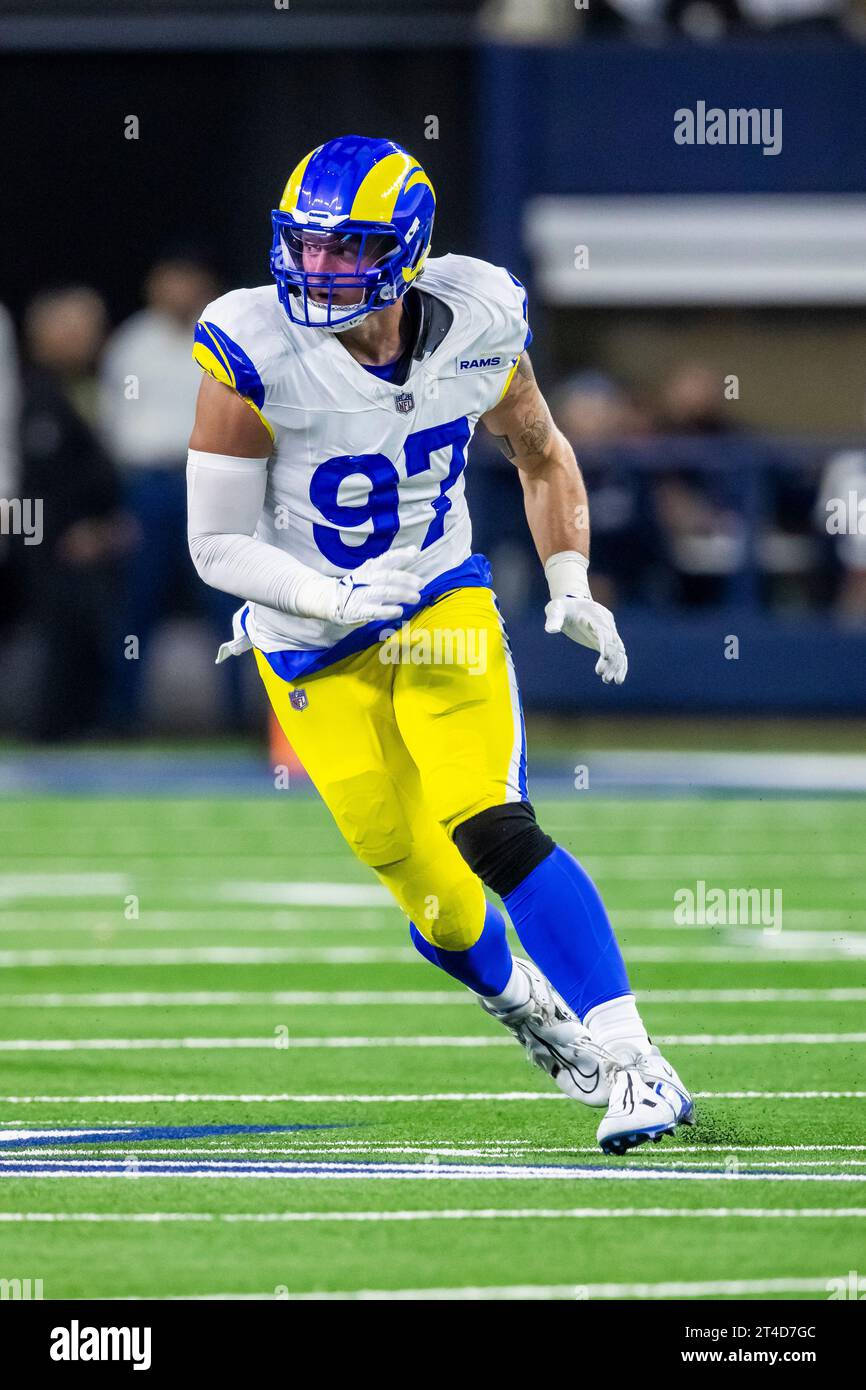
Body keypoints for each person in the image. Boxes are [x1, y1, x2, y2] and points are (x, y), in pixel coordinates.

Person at [186, 135, 693, 1155]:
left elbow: (539, 450)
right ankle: (522, 1007)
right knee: (431, 897)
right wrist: (325, 596)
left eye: (348, 251)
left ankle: (636, 1062)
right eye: (306, 248)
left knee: (490, 826)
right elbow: (213, 542)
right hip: (303, 641)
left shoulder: (476, 317)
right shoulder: (249, 345)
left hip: (432, 602)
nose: (318, 271)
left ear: (406, 250)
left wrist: (565, 579)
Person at [101, 254, 242, 729]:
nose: (180, 291)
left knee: (228, 599)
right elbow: (114, 423)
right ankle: (122, 717)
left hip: (208, 482)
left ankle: (239, 716)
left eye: (188, 281)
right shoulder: (133, 344)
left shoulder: (225, 334)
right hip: (151, 485)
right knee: (138, 603)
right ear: (154, 287)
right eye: (170, 282)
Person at [19, 287, 128, 739]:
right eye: (76, 329)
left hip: (86, 533)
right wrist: (64, 533)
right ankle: (50, 727)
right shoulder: (35, 392)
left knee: (83, 627)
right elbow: (42, 476)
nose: (89, 338)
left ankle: (83, 723)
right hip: (44, 528)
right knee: (54, 623)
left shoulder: (90, 385)